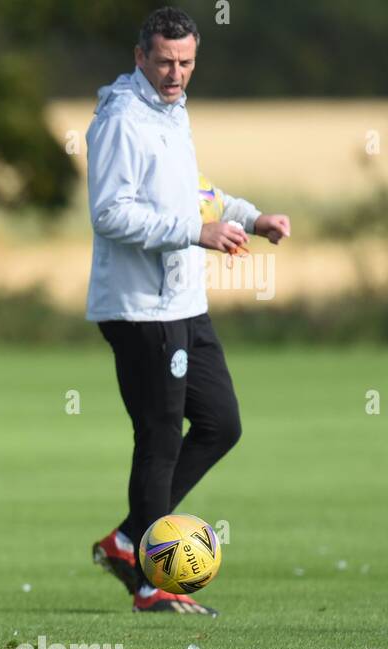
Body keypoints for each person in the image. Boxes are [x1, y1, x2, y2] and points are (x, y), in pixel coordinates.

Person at [86, 7, 290, 615]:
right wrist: (196, 233)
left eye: (187, 62)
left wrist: (250, 217)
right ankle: (152, 578)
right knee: (158, 438)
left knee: (221, 423)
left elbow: (195, 191)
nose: (176, 73)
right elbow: (110, 212)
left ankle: (129, 540)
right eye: (165, 61)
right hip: (140, 308)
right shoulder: (123, 118)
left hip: (183, 301)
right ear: (140, 57)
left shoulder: (172, 112)